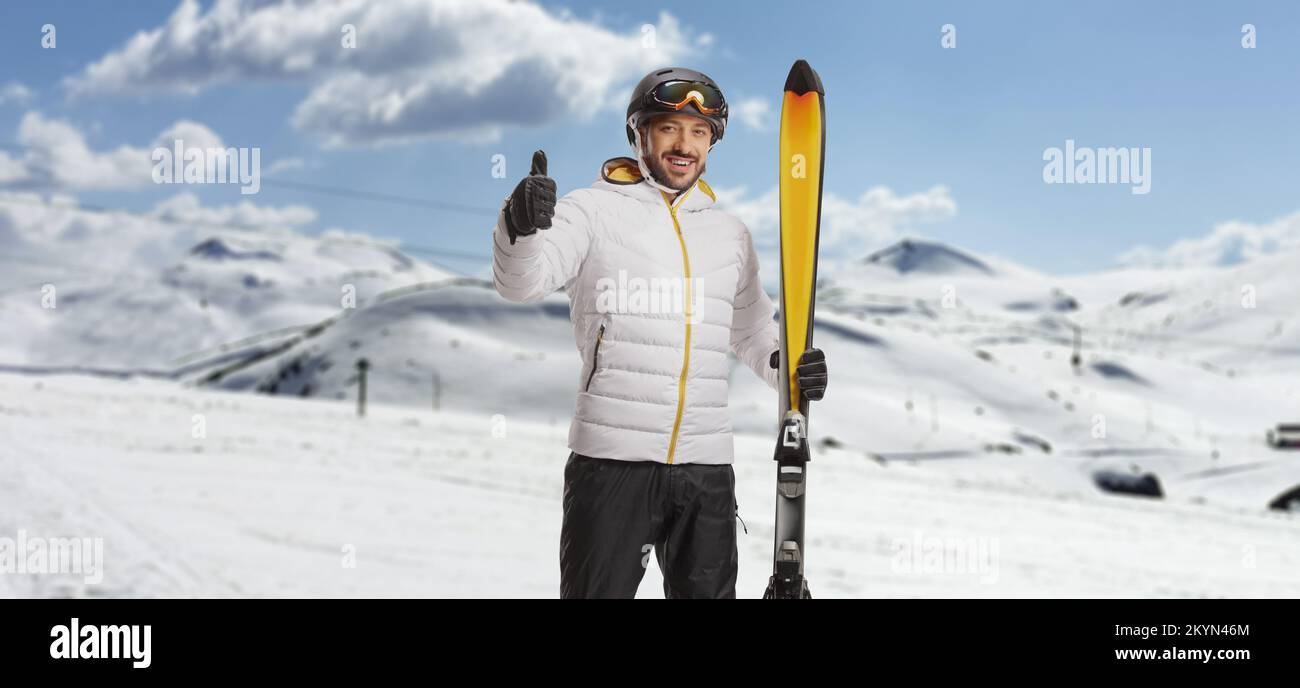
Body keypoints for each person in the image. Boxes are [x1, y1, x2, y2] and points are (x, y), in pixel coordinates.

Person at [492, 66, 828, 598]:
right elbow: (521, 281)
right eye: (669, 127)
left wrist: (789, 368)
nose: (684, 145)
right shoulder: (590, 211)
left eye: (700, 132)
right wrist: (521, 225)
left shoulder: (729, 233)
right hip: (612, 464)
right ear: (637, 133)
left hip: (706, 468)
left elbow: (751, 331)